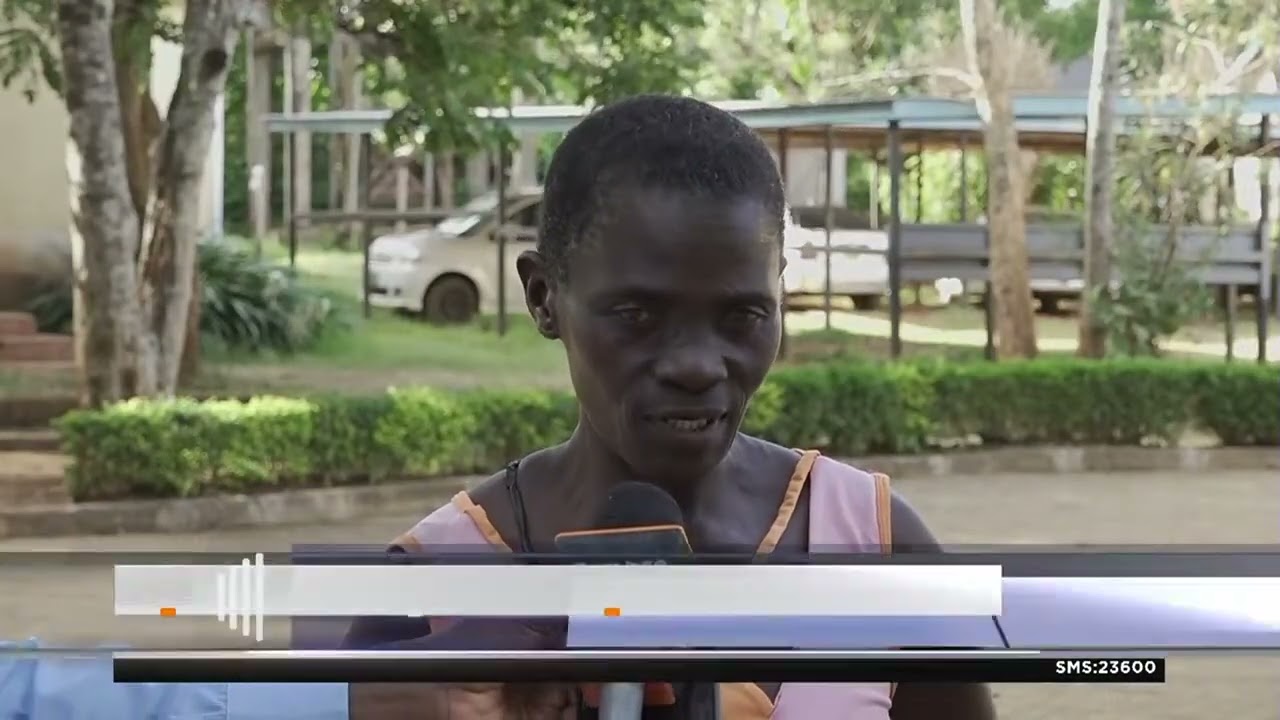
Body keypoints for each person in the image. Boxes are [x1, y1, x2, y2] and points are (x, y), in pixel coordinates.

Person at [345, 94, 997, 720]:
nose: (694, 366)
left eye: (742, 314)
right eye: (637, 314)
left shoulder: (878, 544)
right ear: (544, 296)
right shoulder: (428, 596)